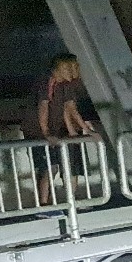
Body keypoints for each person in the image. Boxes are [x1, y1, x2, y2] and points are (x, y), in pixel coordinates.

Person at [32, 55, 90, 208]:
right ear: (57, 69)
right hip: (42, 130)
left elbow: (69, 109)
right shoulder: (48, 82)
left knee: (67, 166)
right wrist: (45, 133)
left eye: (74, 67)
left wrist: (77, 131)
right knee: (50, 166)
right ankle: (44, 204)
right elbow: (43, 108)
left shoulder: (66, 85)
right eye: (67, 68)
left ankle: (70, 201)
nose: (71, 70)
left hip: (56, 130)